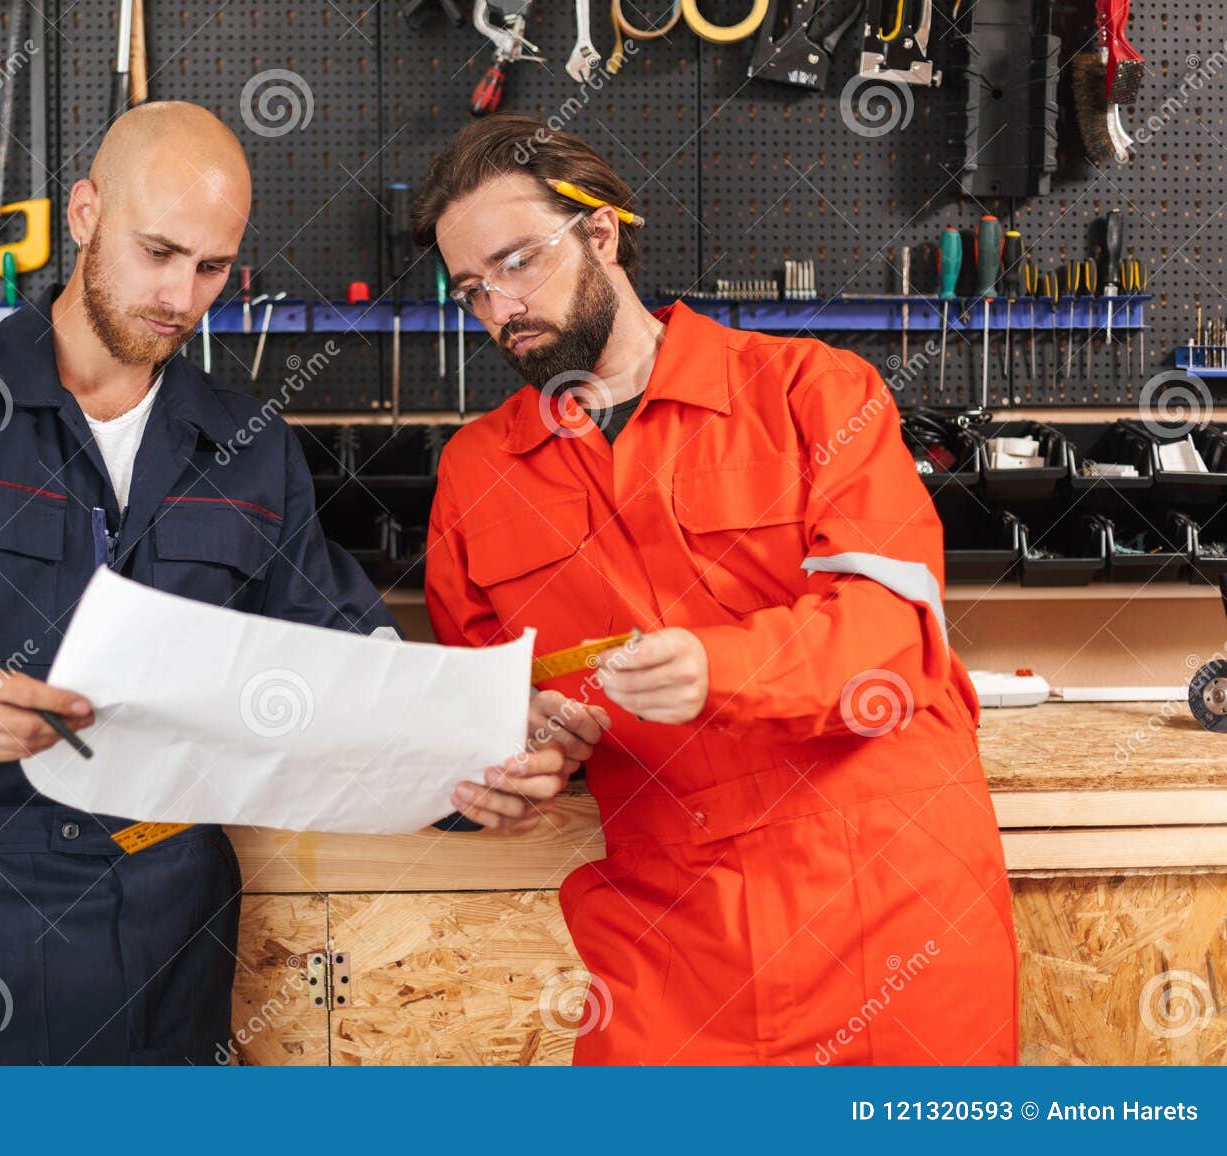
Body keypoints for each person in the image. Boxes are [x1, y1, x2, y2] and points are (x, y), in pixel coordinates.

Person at [0, 102, 397, 1064]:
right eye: (160, 251)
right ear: (87, 212)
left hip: (179, 936)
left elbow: (355, 657)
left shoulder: (248, 448)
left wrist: (483, 738)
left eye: (213, 268)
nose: (183, 297)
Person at [416, 114, 1018, 1065]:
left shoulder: (812, 391)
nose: (501, 307)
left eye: (519, 261)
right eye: (473, 290)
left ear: (600, 233)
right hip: (672, 935)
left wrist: (720, 664)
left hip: (887, 904)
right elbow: (485, 699)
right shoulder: (478, 471)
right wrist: (522, 748)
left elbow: (892, 632)